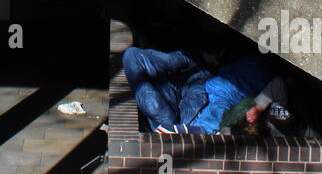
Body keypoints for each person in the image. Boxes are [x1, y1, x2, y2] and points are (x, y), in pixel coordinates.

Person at [122, 42, 289, 135]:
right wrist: (259, 108)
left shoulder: (264, 70)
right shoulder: (259, 69)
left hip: (196, 118)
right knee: (134, 57)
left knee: (154, 106)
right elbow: (278, 87)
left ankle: (177, 132)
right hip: (198, 94)